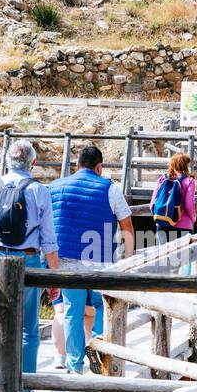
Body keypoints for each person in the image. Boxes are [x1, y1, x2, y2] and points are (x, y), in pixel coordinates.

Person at [0, 138, 59, 392]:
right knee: (28, 324)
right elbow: (48, 240)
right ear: (33, 163)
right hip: (27, 259)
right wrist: (54, 278)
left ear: (7, 161)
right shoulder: (39, 191)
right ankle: (26, 385)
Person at [49, 143, 135, 375]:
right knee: (100, 308)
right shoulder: (111, 188)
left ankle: (74, 364)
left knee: (72, 312)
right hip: (101, 260)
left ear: (77, 166)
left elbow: (46, 227)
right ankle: (98, 355)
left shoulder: (55, 187)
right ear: (99, 167)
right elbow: (126, 224)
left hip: (66, 260)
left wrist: (49, 261)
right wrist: (129, 259)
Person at [151, 152, 197, 247]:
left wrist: (161, 216)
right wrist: (193, 219)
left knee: (164, 259)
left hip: (162, 224)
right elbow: (189, 205)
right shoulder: (189, 181)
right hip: (183, 225)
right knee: (182, 259)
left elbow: (152, 204)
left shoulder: (162, 179)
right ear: (185, 165)